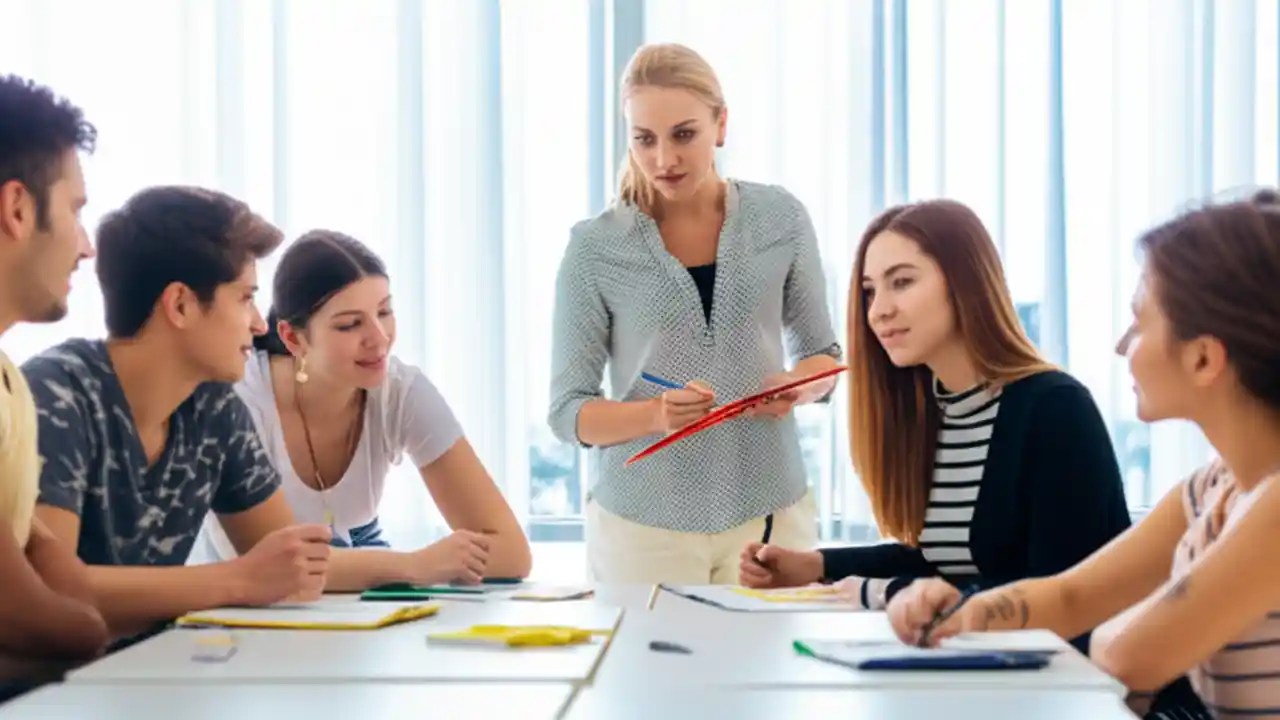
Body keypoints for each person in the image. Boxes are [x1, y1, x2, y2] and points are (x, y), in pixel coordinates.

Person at [887, 190, 1280, 718]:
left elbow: (1127, 655)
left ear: (1204, 358)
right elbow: (1071, 596)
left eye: (1139, 322)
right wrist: (964, 613)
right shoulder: (1212, 489)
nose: (1122, 345)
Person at [23, 186, 416, 643]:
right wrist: (236, 580)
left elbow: (292, 566)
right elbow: (47, 589)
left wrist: (417, 566)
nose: (260, 324)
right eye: (245, 298)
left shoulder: (214, 409)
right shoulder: (57, 395)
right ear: (181, 305)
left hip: (149, 669)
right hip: (55, 681)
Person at [739, 199, 1129, 649]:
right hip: (992, 663)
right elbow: (949, 563)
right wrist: (817, 565)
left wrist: (878, 592)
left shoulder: (1055, 408)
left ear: (965, 283)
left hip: (1075, 675)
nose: (878, 310)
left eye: (902, 282)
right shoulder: (938, 412)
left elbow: (1054, 590)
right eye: (869, 292)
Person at [548, 43, 842, 584]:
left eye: (683, 134)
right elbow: (569, 413)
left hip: (771, 512)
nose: (664, 159)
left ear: (720, 124)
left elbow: (824, 356)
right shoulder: (594, 249)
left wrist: (798, 387)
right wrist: (654, 416)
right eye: (645, 139)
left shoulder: (781, 218)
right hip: (641, 526)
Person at [193, 229, 531, 582]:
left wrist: (427, 563)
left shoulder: (400, 391)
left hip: (342, 608)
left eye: (384, 312)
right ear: (293, 338)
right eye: (350, 325)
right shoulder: (240, 399)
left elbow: (512, 553)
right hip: (226, 611)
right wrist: (414, 565)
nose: (379, 338)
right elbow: (274, 567)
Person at [0, 74, 108, 665]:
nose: (86, 247)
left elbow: (37, 554)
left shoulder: (10, 383)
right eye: (75, 210)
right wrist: (91, 632)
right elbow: (21, 614)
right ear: (18, 209)